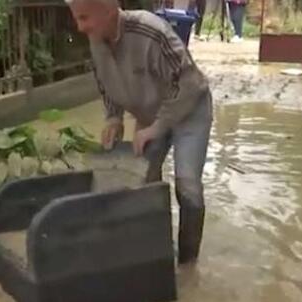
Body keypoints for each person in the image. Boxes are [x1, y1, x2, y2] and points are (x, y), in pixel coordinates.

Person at [69, 0, 213, 264]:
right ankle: (155, 252)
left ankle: (188, 266)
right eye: (77, 19)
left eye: (85, 18)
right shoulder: (96, 39)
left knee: (187, 185)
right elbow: (105, 80)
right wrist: (114, 118)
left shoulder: (151, 31)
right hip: (150, 113)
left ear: (109, 10)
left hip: (190, 110)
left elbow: (189, 83)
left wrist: (157, 127)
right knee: (142, 180)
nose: (80, 27)